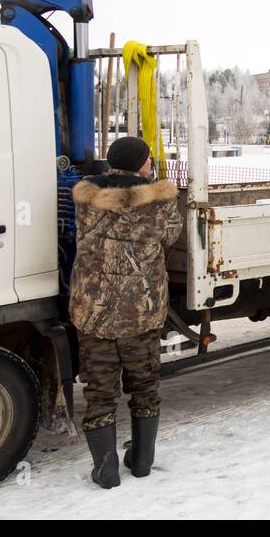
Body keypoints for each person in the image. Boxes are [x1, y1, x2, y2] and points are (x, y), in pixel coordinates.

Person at [70, 136, 182, 488]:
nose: (152, 164)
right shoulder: (160, 201)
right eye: (149, 159)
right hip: (141, 313)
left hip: (94, 313)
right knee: (145, 387)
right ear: (141, 163)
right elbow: (171, 237)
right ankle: (142, 461)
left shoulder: (86, 199)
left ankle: (105, 469)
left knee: (100, 392)